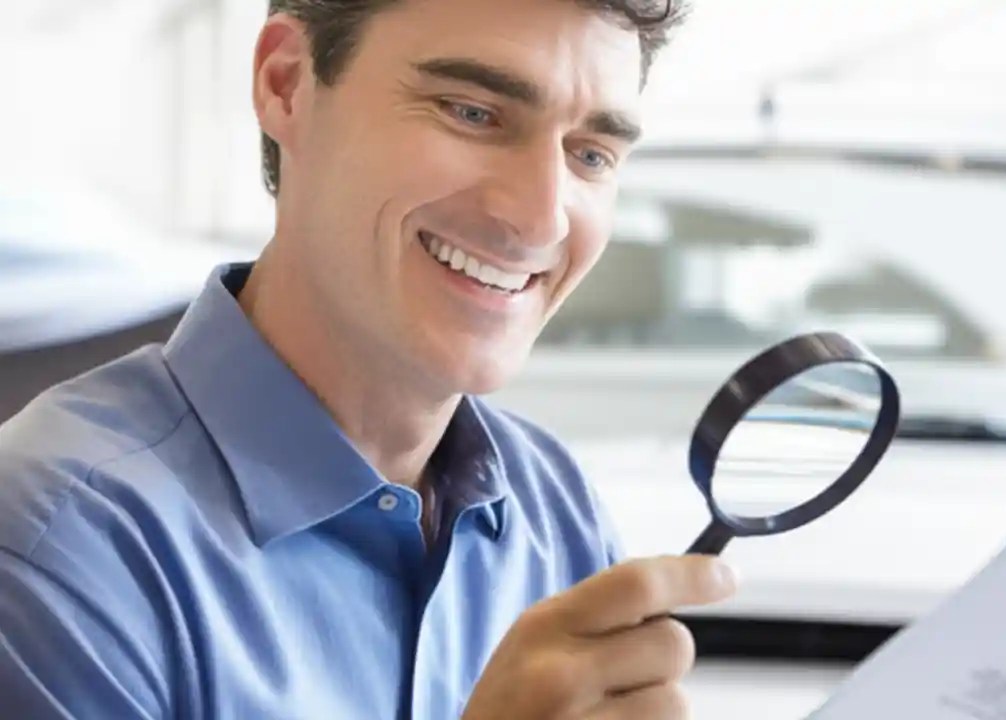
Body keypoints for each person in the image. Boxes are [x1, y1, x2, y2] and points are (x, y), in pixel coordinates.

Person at [0, 0, 739, 718]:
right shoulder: (53, 537)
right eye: (472, 112)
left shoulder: (555, 509)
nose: (541, 216)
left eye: (590, 155)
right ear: (286, 83)